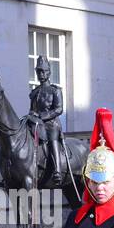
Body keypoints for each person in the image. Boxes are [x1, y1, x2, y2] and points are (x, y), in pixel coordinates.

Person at [27, 54, 65, 187]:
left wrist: (42, 116)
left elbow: (59, 109)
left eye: (43, 71)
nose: (41, 74)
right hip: (36, 123)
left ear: (49, 72)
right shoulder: (35, 92)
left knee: (52, 139)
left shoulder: (55, 90)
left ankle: (57, 171)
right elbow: (32, 108)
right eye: (39, 71)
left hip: (51, 124)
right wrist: (31, 115)